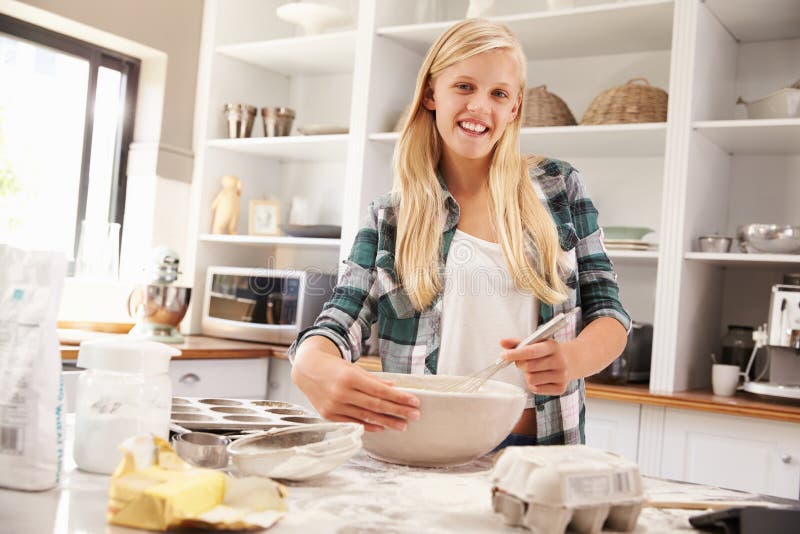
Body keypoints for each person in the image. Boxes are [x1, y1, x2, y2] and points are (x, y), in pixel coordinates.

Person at [288, 19, 630, 446]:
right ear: (432, 93)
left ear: (514, 108)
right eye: (464, 87)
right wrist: (310, 361)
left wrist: (572, 358)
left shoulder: (560, 187)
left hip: (540, 450)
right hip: (422, 446)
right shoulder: (391, 217)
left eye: (498, 94)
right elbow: (341, 319)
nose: (479, 107)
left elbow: (609, 315)